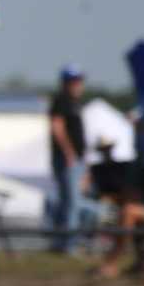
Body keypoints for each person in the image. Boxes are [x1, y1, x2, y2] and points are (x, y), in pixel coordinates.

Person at [47, 65, 88, 251]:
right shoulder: (62, 101)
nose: (78, 84)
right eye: (74, 81)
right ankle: (68, 245)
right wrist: (69, 153)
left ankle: (63, 242)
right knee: (71, 202)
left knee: (69, 201)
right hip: (67, 160)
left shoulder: (76, 102)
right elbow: (57, 127)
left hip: (76, 159)